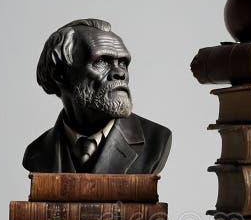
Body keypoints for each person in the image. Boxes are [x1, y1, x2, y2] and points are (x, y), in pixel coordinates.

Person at [23, 19, 171, 173]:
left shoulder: (156, 140)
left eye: (123, 63)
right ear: (60, 74)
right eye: (101, 61)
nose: (120, 73)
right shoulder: (37, 152)